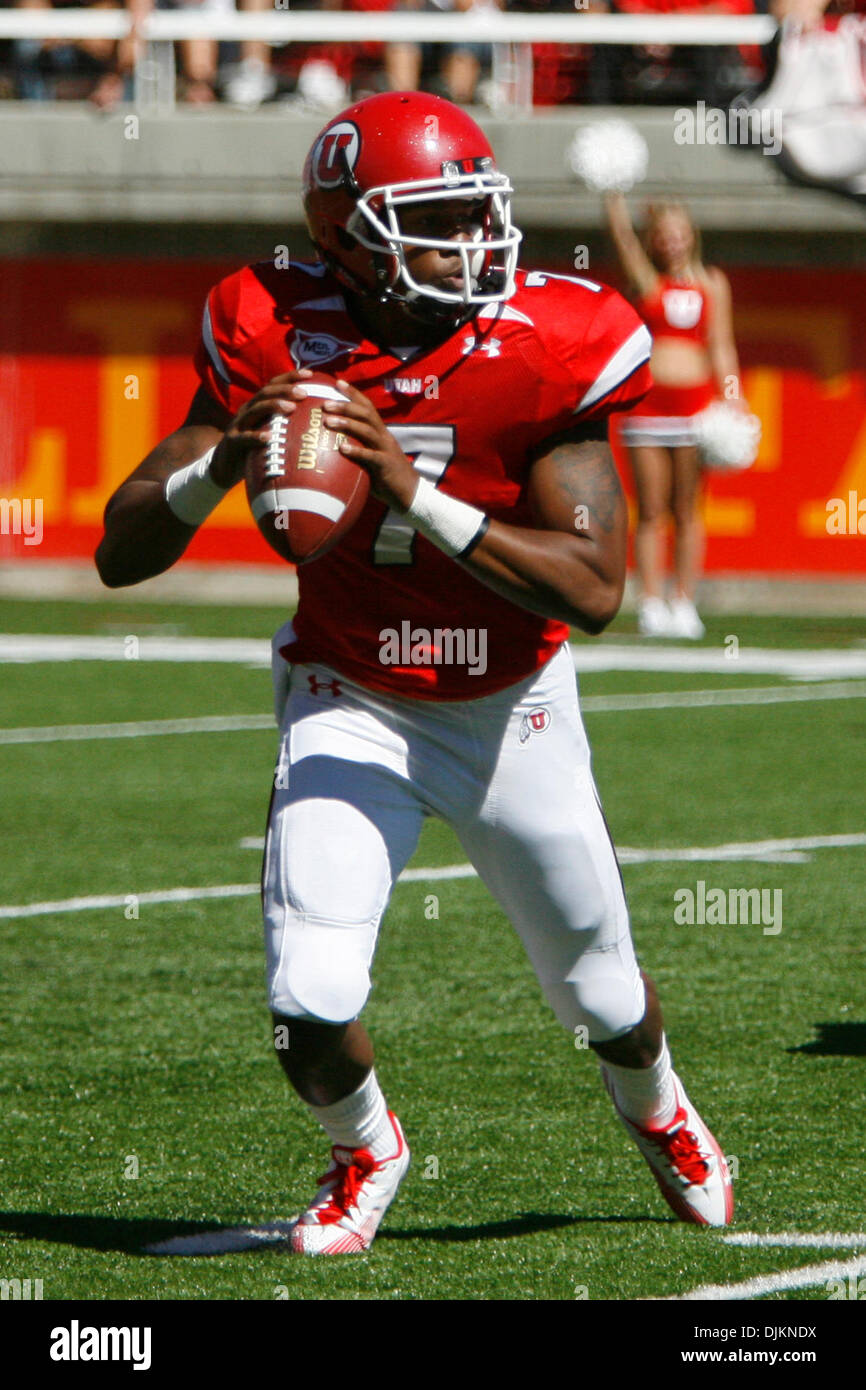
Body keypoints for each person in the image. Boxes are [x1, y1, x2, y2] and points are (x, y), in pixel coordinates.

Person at [95, 93, 733, 1254]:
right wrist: (219, 464)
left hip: (509, 705)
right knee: (308, 995)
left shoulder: (548, 339)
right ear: (344, 234)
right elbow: (117, 548)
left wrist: (412, 491)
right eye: (435, 219)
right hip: (350, 691)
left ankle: (660, 1111)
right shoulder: (269, 325)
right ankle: (365, 1149)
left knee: (599, 994)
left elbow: (592, 590)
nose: (474, 243)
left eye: (475, 212)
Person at [604, 194, 745, 638]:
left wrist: (732, 396)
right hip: (647, 409)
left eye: (680, 235)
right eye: (664, 236)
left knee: (687, 510)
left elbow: (721, 345)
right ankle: (649, 601)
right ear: (654, 242)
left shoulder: (713, 283)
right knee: (649, 511)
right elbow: (623, 241)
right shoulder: (647, 280)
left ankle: (684, 601)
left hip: (695, 410)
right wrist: (612, 196)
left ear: (693, 237)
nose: (673, 243)